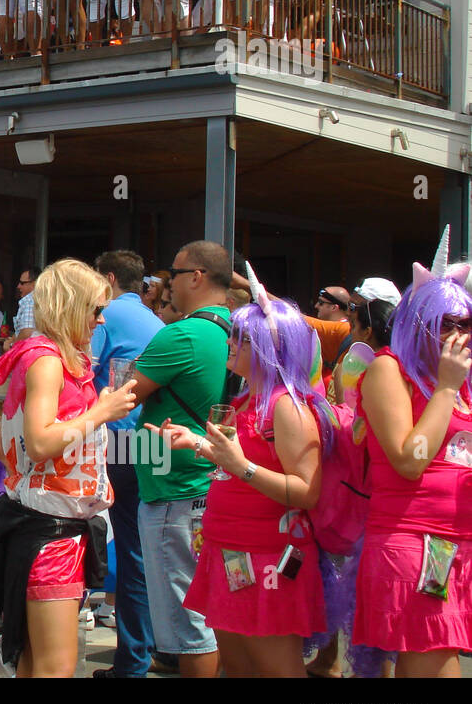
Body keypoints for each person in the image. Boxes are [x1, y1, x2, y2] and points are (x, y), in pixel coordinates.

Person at [157, 269, 330, 676]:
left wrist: (242, 467)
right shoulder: (247, 400)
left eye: (240, 338)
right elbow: (237, 463)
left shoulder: (287, 406)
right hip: (229, 551)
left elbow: (307, 491)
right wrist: (198, 443)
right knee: (236, 668)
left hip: (269, 557)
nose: (229, 344)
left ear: (270, 347)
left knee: (275, 668)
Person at [0, 259, 137, 676]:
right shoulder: (48, 360)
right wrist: (101, 412)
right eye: (94, 310)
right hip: (49, 533)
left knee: (37, 661)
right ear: (69, 306)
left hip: (51, 528)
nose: (100, 321)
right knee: (57, 667)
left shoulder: (55, 358)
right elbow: (41, 440)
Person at [353, 237, 472, 676]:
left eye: (466, 321)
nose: (458, 333)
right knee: (434, 663)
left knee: (441, 659)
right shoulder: (390, 370)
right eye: (446, 322)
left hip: (455, 543)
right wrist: (444, 387)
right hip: (416, 543)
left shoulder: (458, 383)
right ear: (419, 322)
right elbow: (409, 458)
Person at [127, 240, 233, 679]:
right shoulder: (236, 327)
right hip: (212, 482)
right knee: (211, 615)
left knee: (190, 626)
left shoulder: (184, 334)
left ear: (197, 276)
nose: (165, 280)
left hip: (173, 488)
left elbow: (126, 393)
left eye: (173, 271)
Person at [88, 250, 164, 678]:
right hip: (147, 442)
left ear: (110, 278)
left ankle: (132, 659)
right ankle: (143, 649)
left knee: (125, 547)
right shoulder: (153, 319)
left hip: (117, 442)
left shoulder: (109, 313)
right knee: (141, 549)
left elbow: (83, 365)